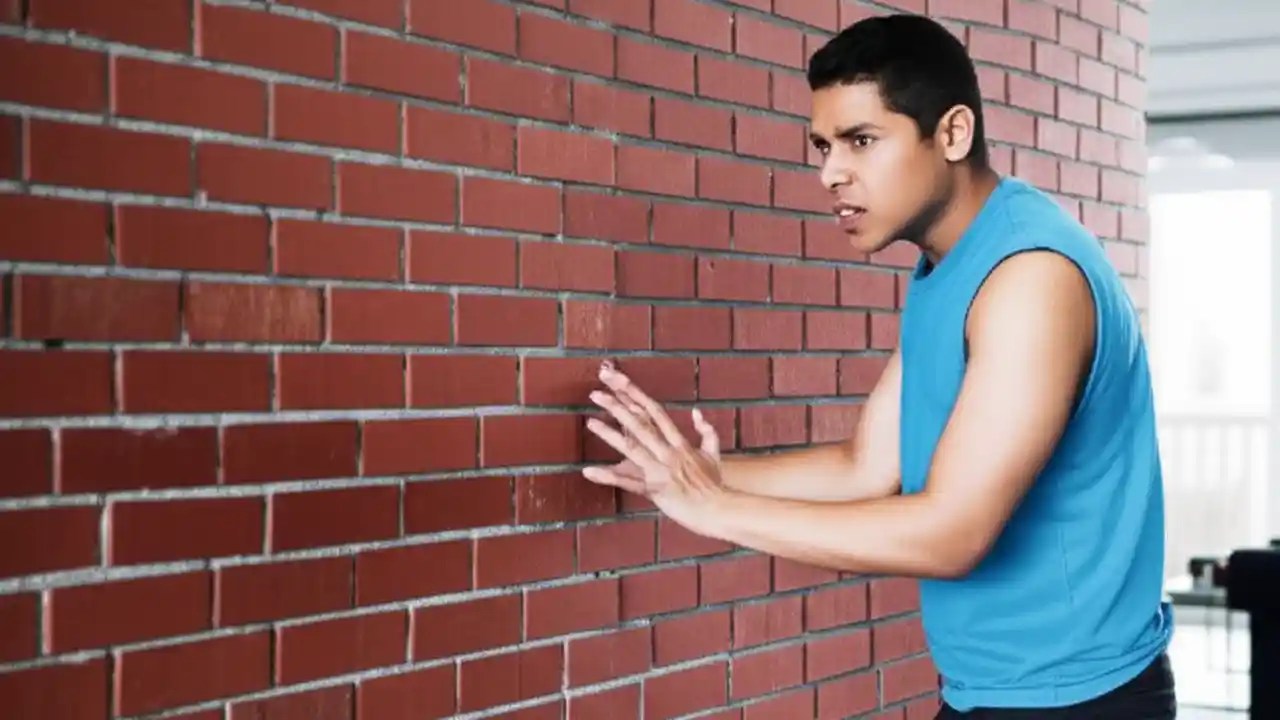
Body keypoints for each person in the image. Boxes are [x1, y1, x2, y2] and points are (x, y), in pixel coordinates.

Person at [581, 12, 1177, 720]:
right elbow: (867, 465)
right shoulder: (949, 266)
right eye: (823, 145)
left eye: (862, 141)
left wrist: (717, 509)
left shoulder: (1030, 278)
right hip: (991, 693)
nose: (831, 173)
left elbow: (951, 533)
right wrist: (695, 472)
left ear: (952, 133)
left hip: (1080, 701)